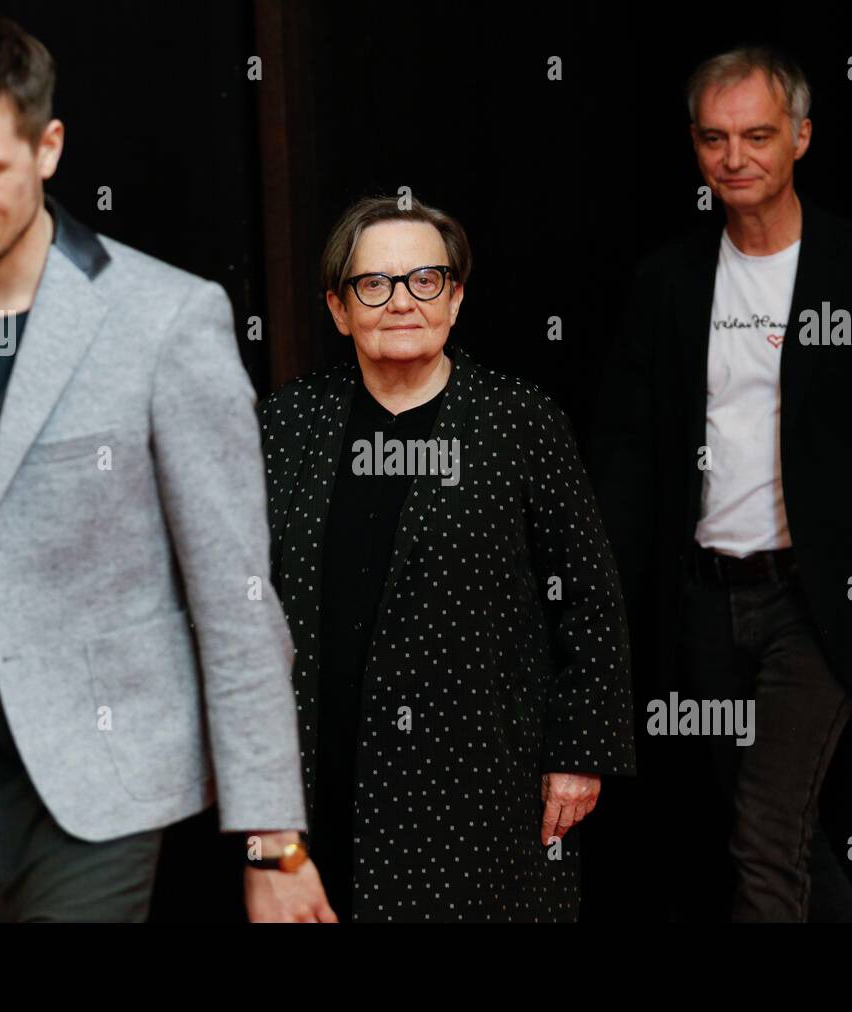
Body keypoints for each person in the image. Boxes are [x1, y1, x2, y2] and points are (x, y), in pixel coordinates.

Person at [0, 10, 332, 923]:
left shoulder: (166, 318)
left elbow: (234, 599)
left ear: (48, 148)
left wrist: (274, 841)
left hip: (107, 787)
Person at [590, 46, 852, 921]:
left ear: (800, 136)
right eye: (715, 139)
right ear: (694, 145)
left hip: (821, 599)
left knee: (763, 837)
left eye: (757, 134)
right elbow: (630, 451)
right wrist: (602, 597)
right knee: (774, 831)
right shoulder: (669, 281)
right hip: (705, 600)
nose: (736, 157)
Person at [257, 195, 635, 922]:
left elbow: (589, 597)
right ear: (339, 308)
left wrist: (579, 753)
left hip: (487, 777)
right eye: (375, 285)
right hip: (323, 775)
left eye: (425, 280)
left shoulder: (521, 422)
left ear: (455, 298)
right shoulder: (286, 426)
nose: (402, 302)